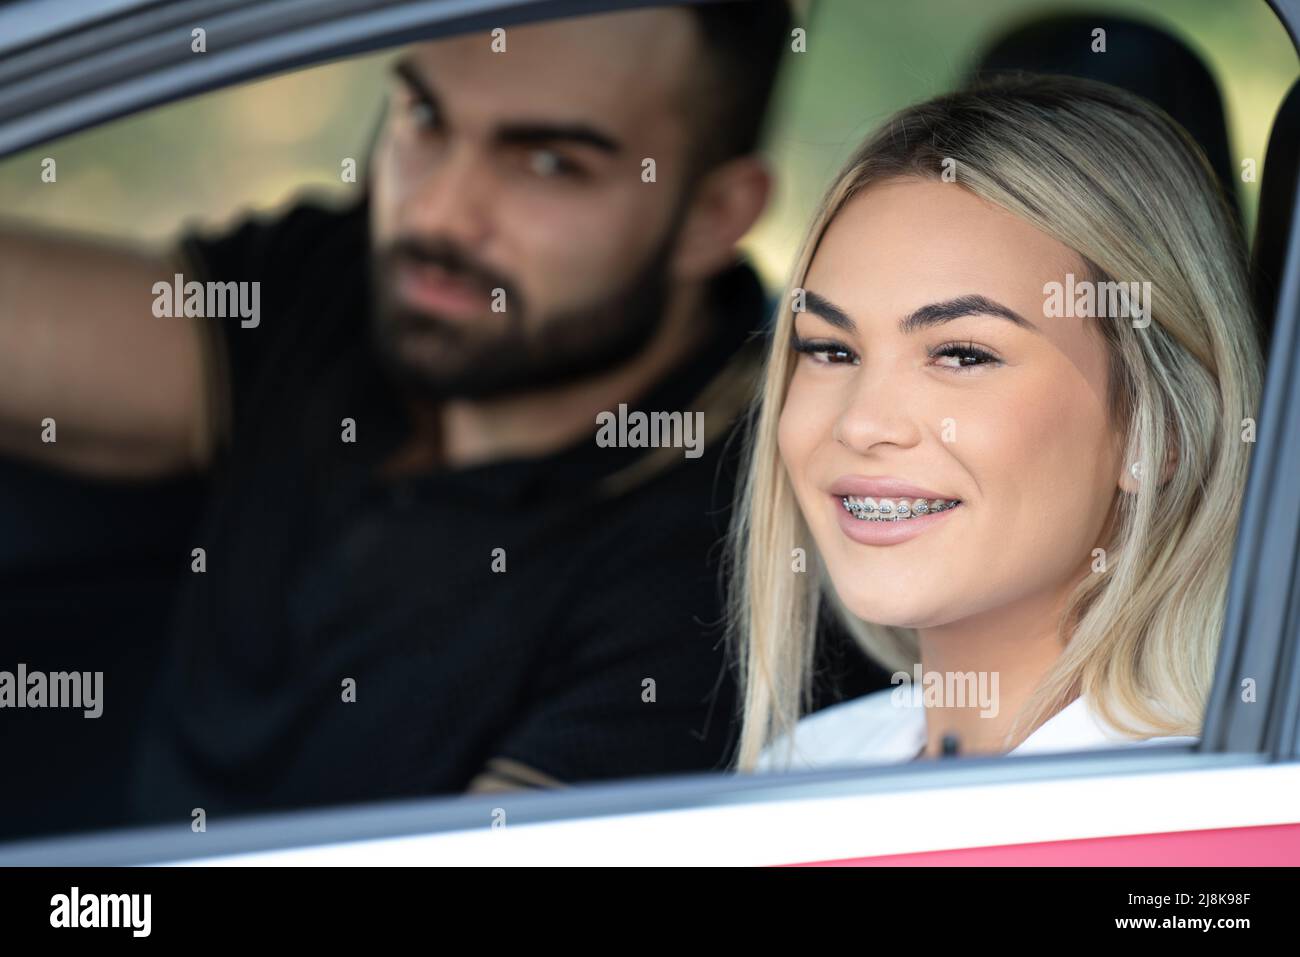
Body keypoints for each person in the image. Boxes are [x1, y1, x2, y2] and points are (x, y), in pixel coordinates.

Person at [0, 2, 794, 820]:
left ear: (713, 216)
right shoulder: (352, 289)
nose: (437, 213)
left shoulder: (730, 567)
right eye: (424, 117)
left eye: (551, 163)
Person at [726, 75, 1264, 773]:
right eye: (831, 349)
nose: (861, 423)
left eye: (961, 354)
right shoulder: (807, 763)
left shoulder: (1189, 814)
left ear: (1153, 428)